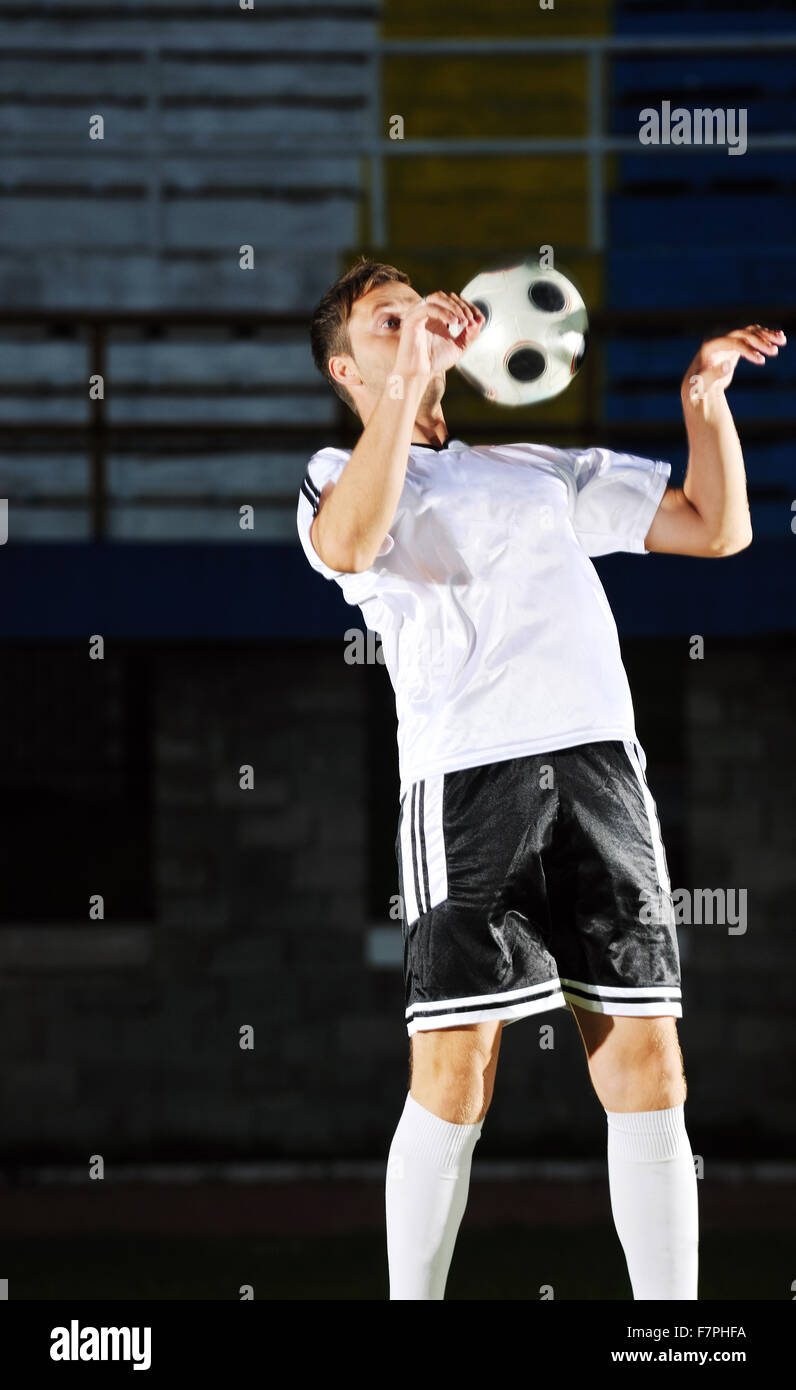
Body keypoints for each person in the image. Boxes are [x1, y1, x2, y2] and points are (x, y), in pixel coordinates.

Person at [297, 254, 784, 1300]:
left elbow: (717, 526)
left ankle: (670, 1330)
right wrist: (407, 384)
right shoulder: (340, 473)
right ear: (346, 371)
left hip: (602, 775)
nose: (414, 326)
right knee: (457, 1075)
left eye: (415, 311)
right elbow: (352, 541)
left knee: (650, 1071)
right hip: (468, 786)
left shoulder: (529, 465)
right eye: (386, 325)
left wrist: (705, 403)